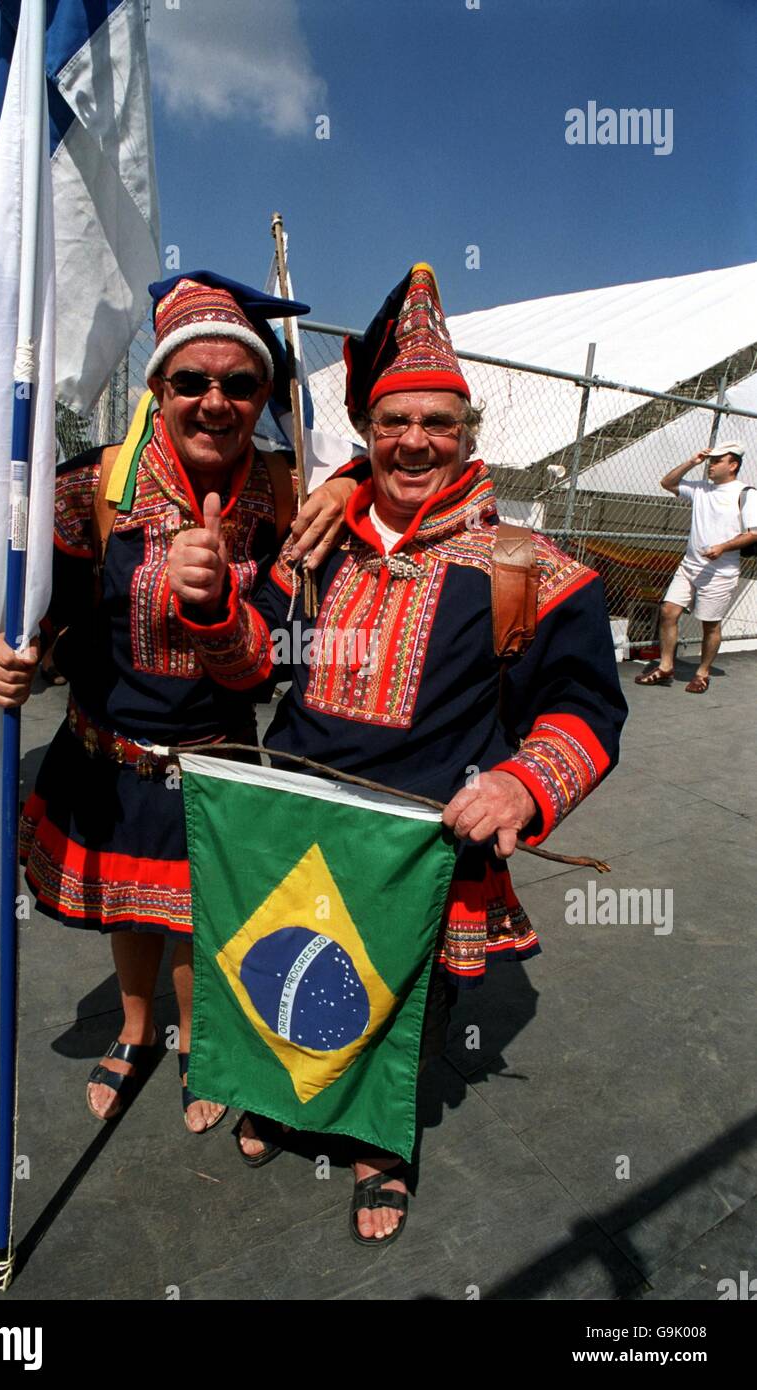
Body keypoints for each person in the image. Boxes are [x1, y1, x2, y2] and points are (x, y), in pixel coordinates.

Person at [170, 263, 628, 1242]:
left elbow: (586, 711)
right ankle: (282, 1097)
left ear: (468, 435)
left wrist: (519, 780)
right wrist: (212, 606)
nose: (413, 441)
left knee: (398, 1005)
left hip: (422, 843)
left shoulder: (533, 573)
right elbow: (256, 662)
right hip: (294, 820)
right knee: (278, 974)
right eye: (391, 424)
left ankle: (380, 1147)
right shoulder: (315, 543)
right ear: (365, 436)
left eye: (437, 423)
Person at [0, 271, 362, 1131]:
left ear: (264, 392)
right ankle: (137, 1029)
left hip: (215, 758)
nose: (215, 401)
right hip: (107, 758)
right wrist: (15, 658)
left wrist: (222, 598)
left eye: (240, 383)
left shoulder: (285, 495)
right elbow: (43, 607)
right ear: (158, 387)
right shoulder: (94, 487)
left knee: (199, 916)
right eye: (192, 380)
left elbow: (258, 669)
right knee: (130, 907)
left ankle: (199, 1041)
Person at [634, 442, 757, 693]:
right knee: (668, 611)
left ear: (732, 465)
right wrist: (692, 461)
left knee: (710, 624)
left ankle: (702, 673)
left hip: (720, 572)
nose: (711, 465)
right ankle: (666, 666)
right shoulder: (701, 489)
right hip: (689, 565)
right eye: (711, 460)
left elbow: (754, 533)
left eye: (717, 461)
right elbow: (667, 483)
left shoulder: (745, 493)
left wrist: (722, 547)